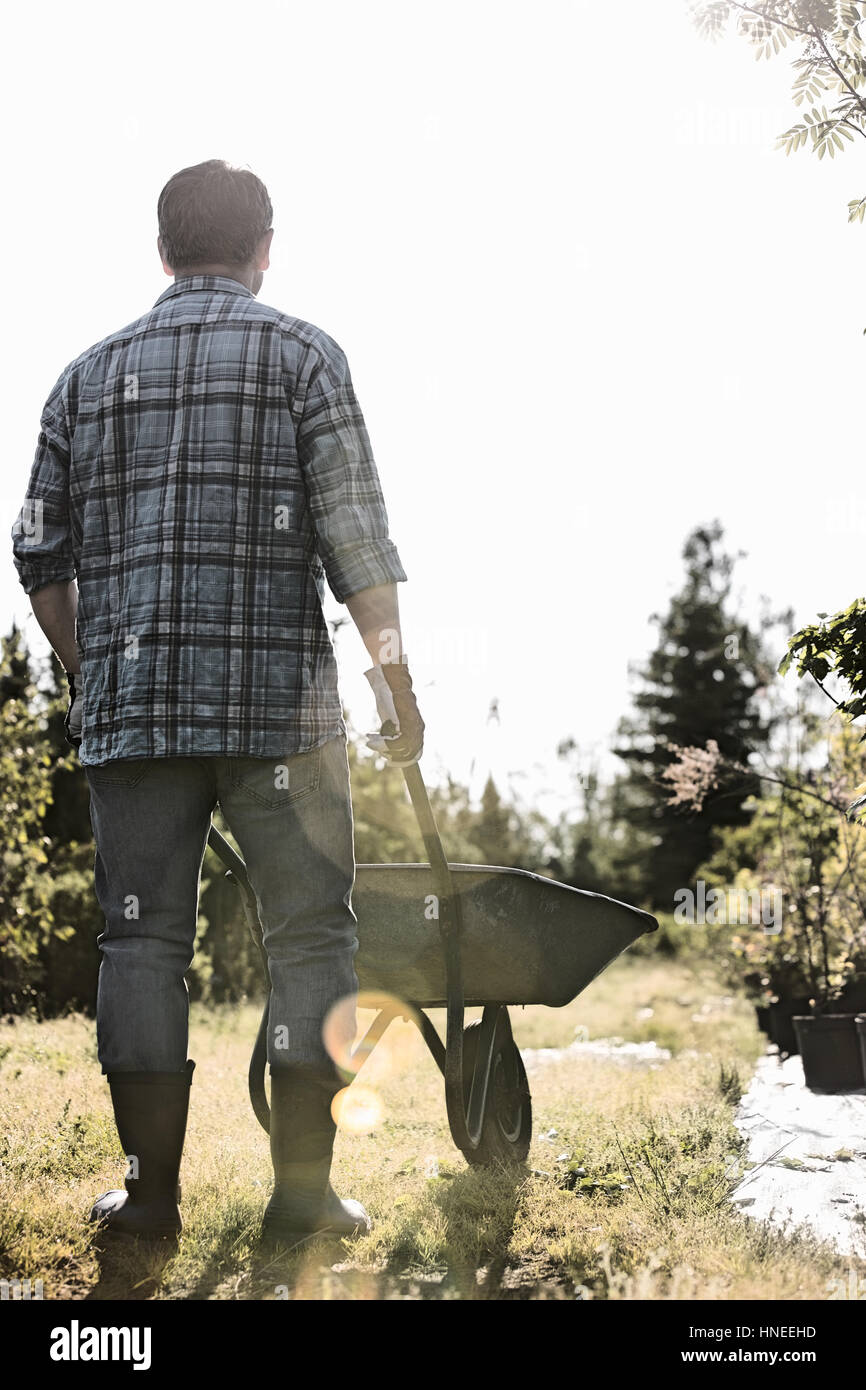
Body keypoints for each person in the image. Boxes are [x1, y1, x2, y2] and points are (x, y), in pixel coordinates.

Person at [11, 158, 424, 1246]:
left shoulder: (84, 377)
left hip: (134, 715)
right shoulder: (303, 357)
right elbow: (357, 545)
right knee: (309, 942)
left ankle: (149, 1200)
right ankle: (300, 1197)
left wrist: (85, 668)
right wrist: (395, 682)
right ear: (264, 247)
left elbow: (39, 551)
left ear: (162, 249)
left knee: (139, 943)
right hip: (278, 721)